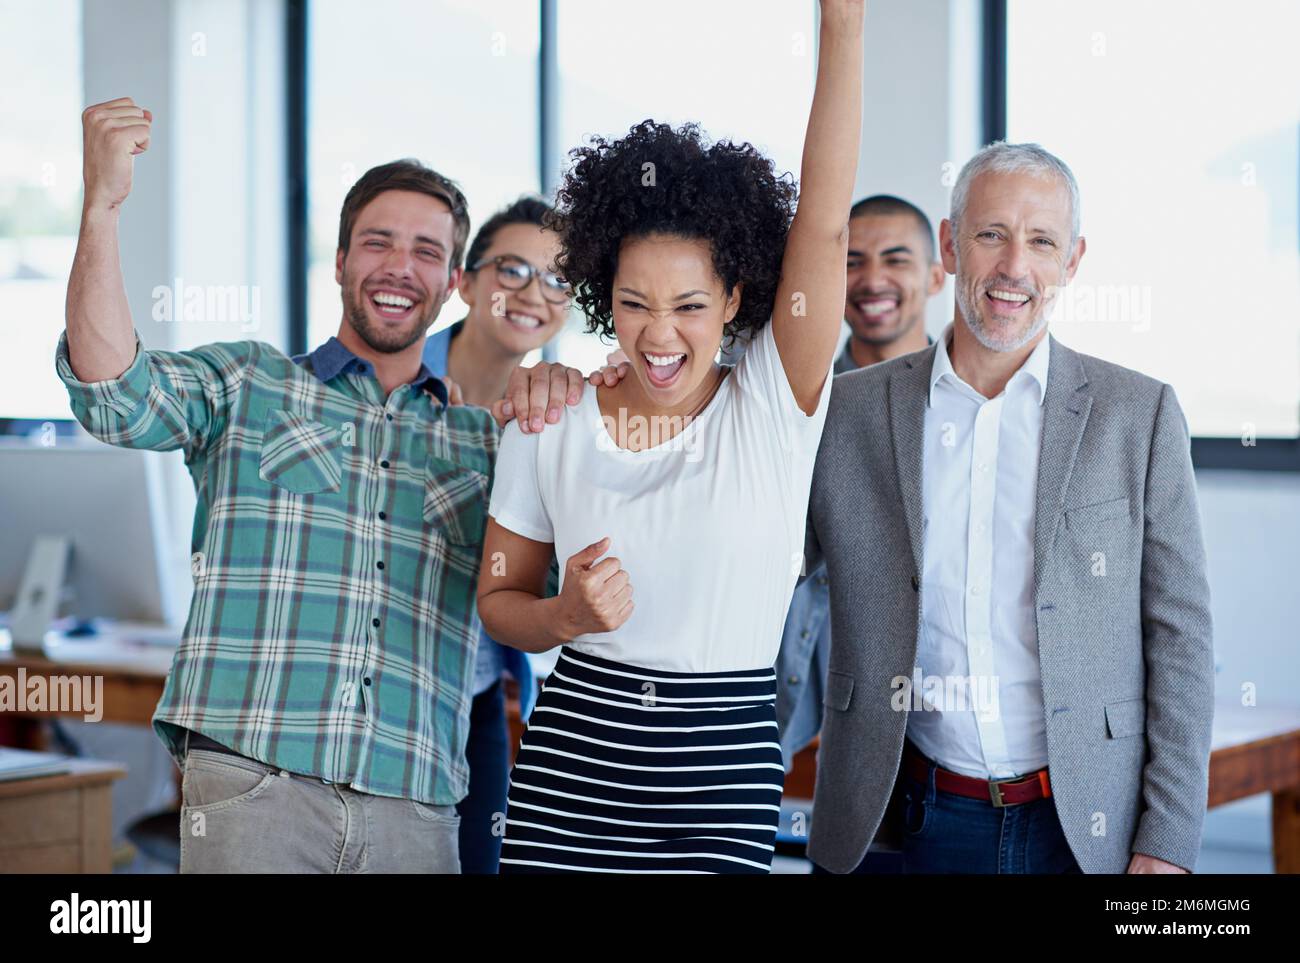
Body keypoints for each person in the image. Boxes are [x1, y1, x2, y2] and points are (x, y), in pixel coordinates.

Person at [476, 0, 865, 873]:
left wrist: (843, 24)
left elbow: (826, 221)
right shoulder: (550, 418)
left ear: (735, 301)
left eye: (690, 305)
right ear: (598, 296)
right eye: (633, 303)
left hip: (721, 769)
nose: (659, 335)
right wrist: (566, 614)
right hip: (571, 764)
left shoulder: (774, 401)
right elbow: (500, 599)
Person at [58, 100, 496, 873]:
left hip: (416, 809)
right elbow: (113, 393)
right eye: (377, 242)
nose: (400, 266)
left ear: (454, 281)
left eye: (427, 251)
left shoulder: (483, 441)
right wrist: (102, 206)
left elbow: (550, 590)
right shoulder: (249, 381)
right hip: (254, 789)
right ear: (337, 260)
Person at [803, 142, 1214, 874]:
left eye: (1042, 241)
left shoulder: (1138, 414)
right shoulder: (850, 412)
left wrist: (1168, 838)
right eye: (992, 234)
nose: (1014, 266)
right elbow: (760, 554)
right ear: (953, 244)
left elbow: (1181, 637)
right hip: (904, 824)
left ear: (1074, 259)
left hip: (1088, 830)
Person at [421, 195, 570, 873]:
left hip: (476, 691)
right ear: (466, 280)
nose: (534, 293)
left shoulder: (558, 413)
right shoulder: (391, 375)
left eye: (559, 278)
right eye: (512, 269)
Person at [771, 194, 944, 772]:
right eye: (852, 261)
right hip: (816, 708)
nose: (872, 280)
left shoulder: (968, 407)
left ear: (937, 275)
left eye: (896, 260)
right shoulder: (796, 399)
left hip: (948, 713)